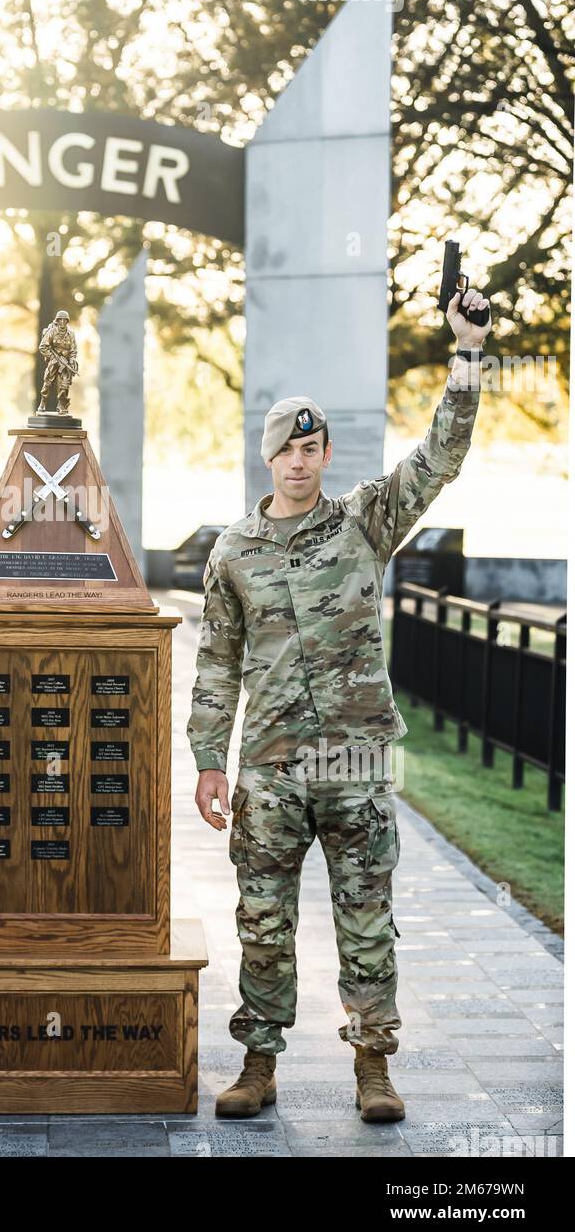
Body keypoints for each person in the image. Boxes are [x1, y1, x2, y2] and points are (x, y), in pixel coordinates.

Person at [187, 286, 491, 1123]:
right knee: (263, 920)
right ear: (267, 457)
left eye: (312, 448)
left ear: (325, 455)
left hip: (354, 763)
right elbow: (216, 659)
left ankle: (372, 1067)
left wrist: (467, 354)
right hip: (271, 770)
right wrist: (209, 761)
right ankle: (258, 1063)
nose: (298, 461)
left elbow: (441, 456)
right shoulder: (234, 551)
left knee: (366, 919)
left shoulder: (367, 521)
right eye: (286, 448)